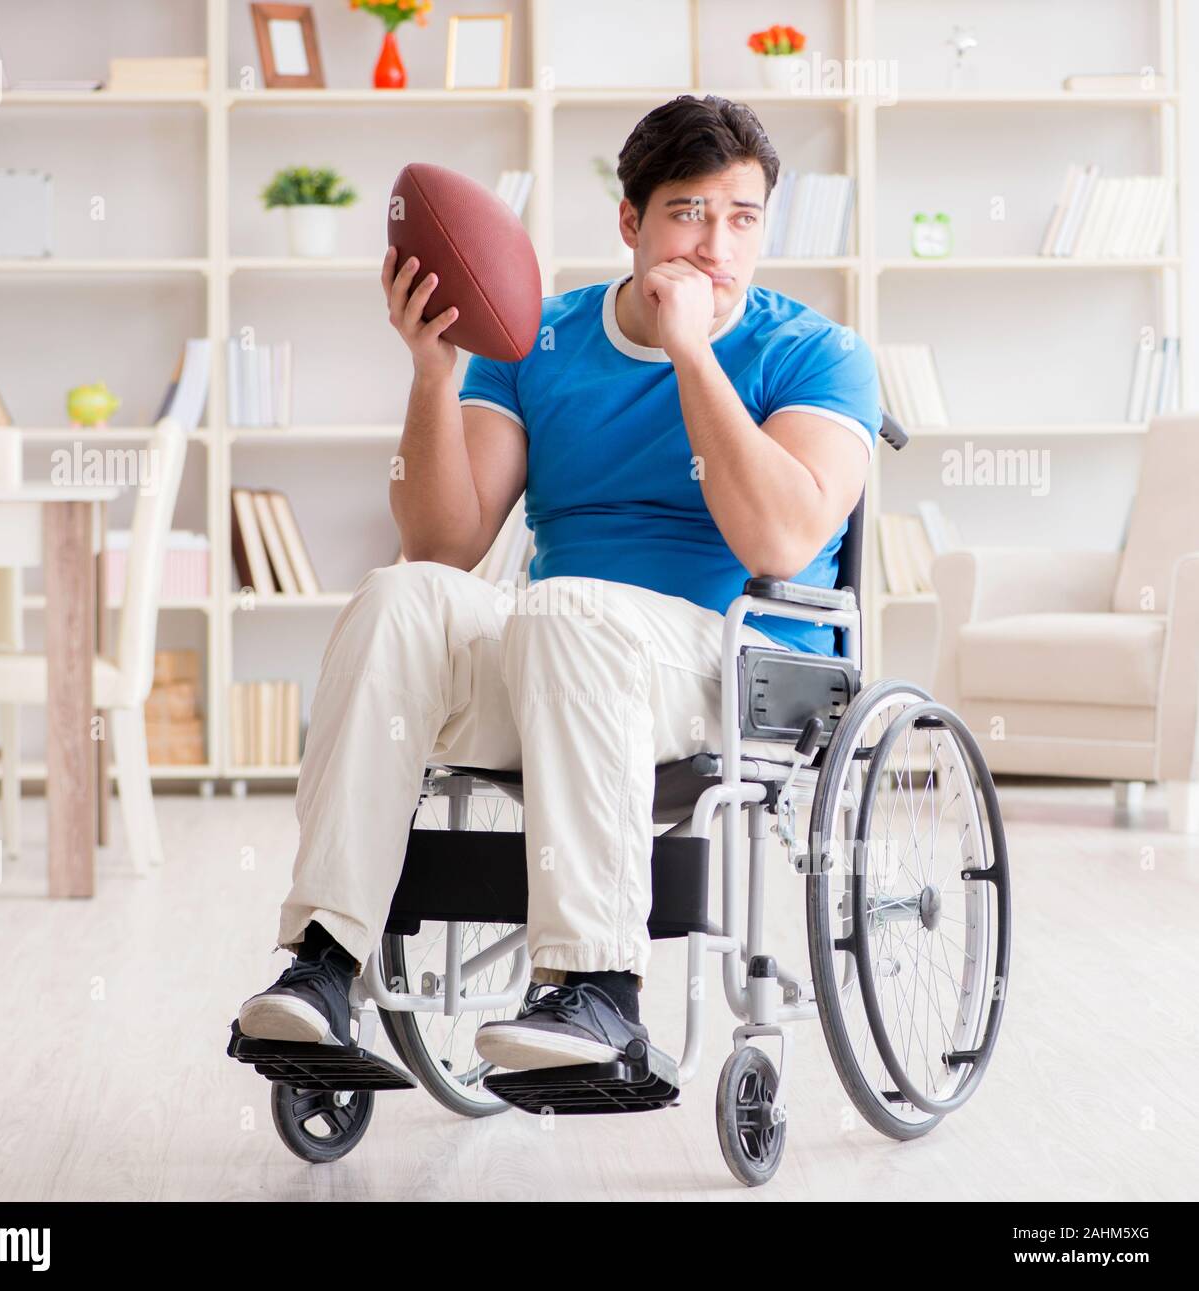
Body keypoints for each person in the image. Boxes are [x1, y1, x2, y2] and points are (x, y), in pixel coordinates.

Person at [237, 94, 880, 1072]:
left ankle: (596, 990)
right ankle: (323, 963)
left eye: (742, 218)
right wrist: (432, 375)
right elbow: (443, 542)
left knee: (563, 610)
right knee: (399, 596)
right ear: (631, 222)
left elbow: (782, 540)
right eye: (689, 212)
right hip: (557, 653)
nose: (716, 245)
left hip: (729, 665)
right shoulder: (540, 341)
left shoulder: (813, 353)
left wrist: (692, 352)